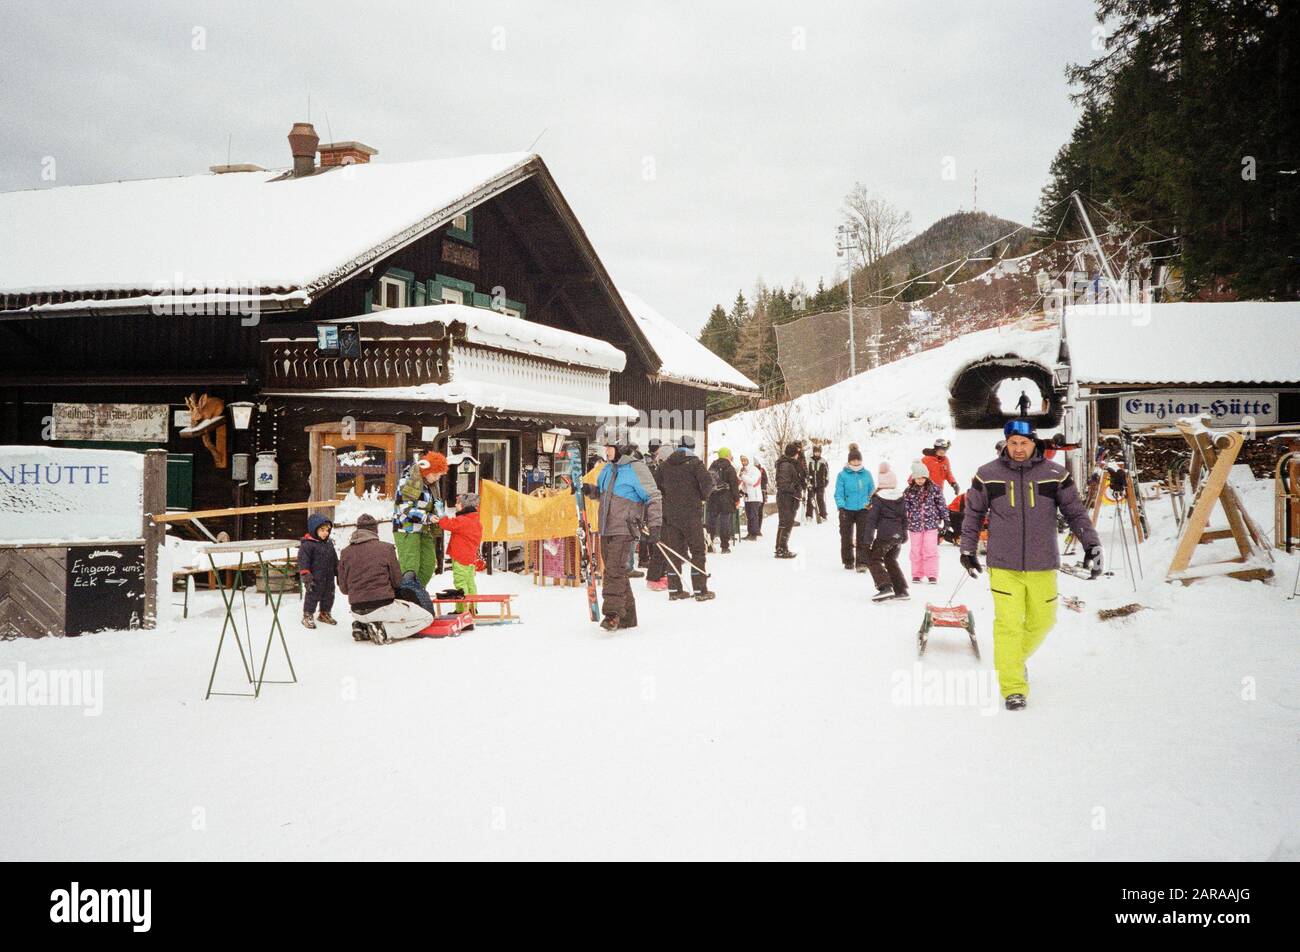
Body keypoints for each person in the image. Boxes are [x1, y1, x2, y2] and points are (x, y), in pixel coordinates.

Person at [960, 419, 1103, 711]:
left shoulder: (1055, 474)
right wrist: (967, 549)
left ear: (1034, 442)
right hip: (1003, 564)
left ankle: (1013, 661)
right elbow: (972, 514)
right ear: (1005, 444)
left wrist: (1091, 543)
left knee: (1044, 621)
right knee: (1009, 626)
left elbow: (1075, 511)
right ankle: (1013, 687)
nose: (1018, 449)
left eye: (1023, 443)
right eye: (1013, 443)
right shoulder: (987, 474)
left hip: (1042, 562)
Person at [594, 433, 664, 630]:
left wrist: (655, 525)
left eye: (609, 447)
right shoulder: (608, 469)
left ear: (621, 448)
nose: (606, 451)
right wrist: (586, 490)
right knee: (618, 571)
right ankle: (628, 617)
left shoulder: (636, 468)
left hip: (625, 528)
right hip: (606, 527)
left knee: (614, 571)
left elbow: (653, 496)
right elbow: (601, 494)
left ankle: (612, 614)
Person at [338, 513, 434, 644]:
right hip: (383, 607)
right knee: (426, 618)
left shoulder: (345, 552)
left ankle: (363, 626)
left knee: (374, 612)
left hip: (356, 609)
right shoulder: (386, 549)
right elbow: (397, 582)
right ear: (375, 530)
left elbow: (344, 589)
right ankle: (384, 630)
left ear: (357, 529)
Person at [656, 434, 713, 601]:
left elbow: (657, 486)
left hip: (671, 515)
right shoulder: (696, 464)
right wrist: (701, 497)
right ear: (692, 448)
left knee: (673, 551)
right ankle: (700, 590)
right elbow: (707, 484)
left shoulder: (665, 465)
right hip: (691, 514)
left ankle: (674, 589)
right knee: (697, 551)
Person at [393, 450, 448, 588]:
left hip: (424, 530)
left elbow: (433, 504)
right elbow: (404, 508)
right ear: (426, 470)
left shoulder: (431, 485)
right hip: (407, 529)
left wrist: (439, 514)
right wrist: (426, 517)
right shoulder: (410, 481)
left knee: (428, 565)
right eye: (435, 474)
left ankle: (415, 593)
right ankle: (406, 597)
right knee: (410, 567)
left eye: (439, 476)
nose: (437, 478)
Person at [861, 462, 909, 602]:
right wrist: (904, 534)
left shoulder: (878, 498)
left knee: (873, 559)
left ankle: (885, 587)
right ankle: (901, 590)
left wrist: (867, 542)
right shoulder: (900, 497)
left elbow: (871, 521)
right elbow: (905, 517)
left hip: (885, 536)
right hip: (898, 536)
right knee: (890, 559)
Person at [438, 492, 484, 614]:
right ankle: (473, 608)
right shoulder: (476, 522)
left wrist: (441, 513)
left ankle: (461, 610)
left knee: (460, 583)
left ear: (464, 506)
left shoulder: (463, 521)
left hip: (460, 558)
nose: (455, 505)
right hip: (470, 559)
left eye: (458, 503)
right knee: (470, 583)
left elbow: (446, 524)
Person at [903, 461, 948, 584]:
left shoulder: (934, 489)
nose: (920, 480)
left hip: (931, 525)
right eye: (917, 478)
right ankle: (917, 574)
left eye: (922, 477)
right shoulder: (909, 491)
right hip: (914, 525)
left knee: (930, 549)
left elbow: (941, 505)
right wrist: (902, 521)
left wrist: (946, 519)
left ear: (926, 477)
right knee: (916, 550)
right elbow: (904, 508)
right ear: (913, 478)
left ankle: (932, 574)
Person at [833, 444, 874, 572]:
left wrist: (870, 503)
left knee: (862, 537)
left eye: (858, 459)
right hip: (847, 510)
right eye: (853, 459)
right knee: (846, 536)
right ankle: (848, 560)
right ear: (849, 460)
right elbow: (838, 493)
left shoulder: (867, 474)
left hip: (863, 509)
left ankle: (861, 562)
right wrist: (841, 507)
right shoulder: (842, 475)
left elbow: (872, 491)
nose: (856, 462)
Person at [297, 514, 339, 628]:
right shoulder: (307, 545)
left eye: (327, 530)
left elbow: (334, 559)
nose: (325, 533)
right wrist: (306, 575)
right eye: (322, 530)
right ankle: (308, 615)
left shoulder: (329, 543)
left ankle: (324, 613)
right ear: (314, 530)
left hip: (329, 577)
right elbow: (303, 561)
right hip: (315, 578)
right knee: (312, 596)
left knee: (329, 596)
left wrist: (339, 572)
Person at [706, 448, 740, 554]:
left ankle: (709, 545)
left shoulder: (712, 467)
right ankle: (724, 547)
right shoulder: (730, 468)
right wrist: (736, 499)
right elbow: (734, 485)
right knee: (725, 522)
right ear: (727, 455)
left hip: (713, 498)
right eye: (730, 454)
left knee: (711, 522)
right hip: (726, 498)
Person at [774, 442, 804, 558]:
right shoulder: (786, 465)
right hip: (786, 497)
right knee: (786, 522)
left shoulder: (788, 464)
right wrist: (795, 489)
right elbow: (783, 484)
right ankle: (781, 548)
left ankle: (780, 547)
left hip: (787, 497)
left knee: (785, 522)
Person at [737, 454, 765, 540]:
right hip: (747, 496)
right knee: (749, 516)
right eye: (742, 460)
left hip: (754, 496)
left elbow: (752, 481)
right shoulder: (744, 470)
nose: (743, 462)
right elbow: (743, 482)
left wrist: (742, 476)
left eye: (745, 460)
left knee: (753, 516)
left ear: (749, 460)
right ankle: (750, 533)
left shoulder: (754, 470)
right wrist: (741, 489)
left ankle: (754, 534)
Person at [804, 445, 829, 523]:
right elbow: (806, 472)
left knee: (820, 499)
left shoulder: (823, 461)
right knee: (810, 499)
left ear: (820, 452)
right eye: (815, 452)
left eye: (818, 452)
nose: (817, 453)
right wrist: (807, 481)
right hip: (811, 484)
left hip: (820, 484)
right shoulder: (809, 460)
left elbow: (827, 472)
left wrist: (826, 481)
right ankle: (809, 515)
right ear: (813, 452)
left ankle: (823, 515)